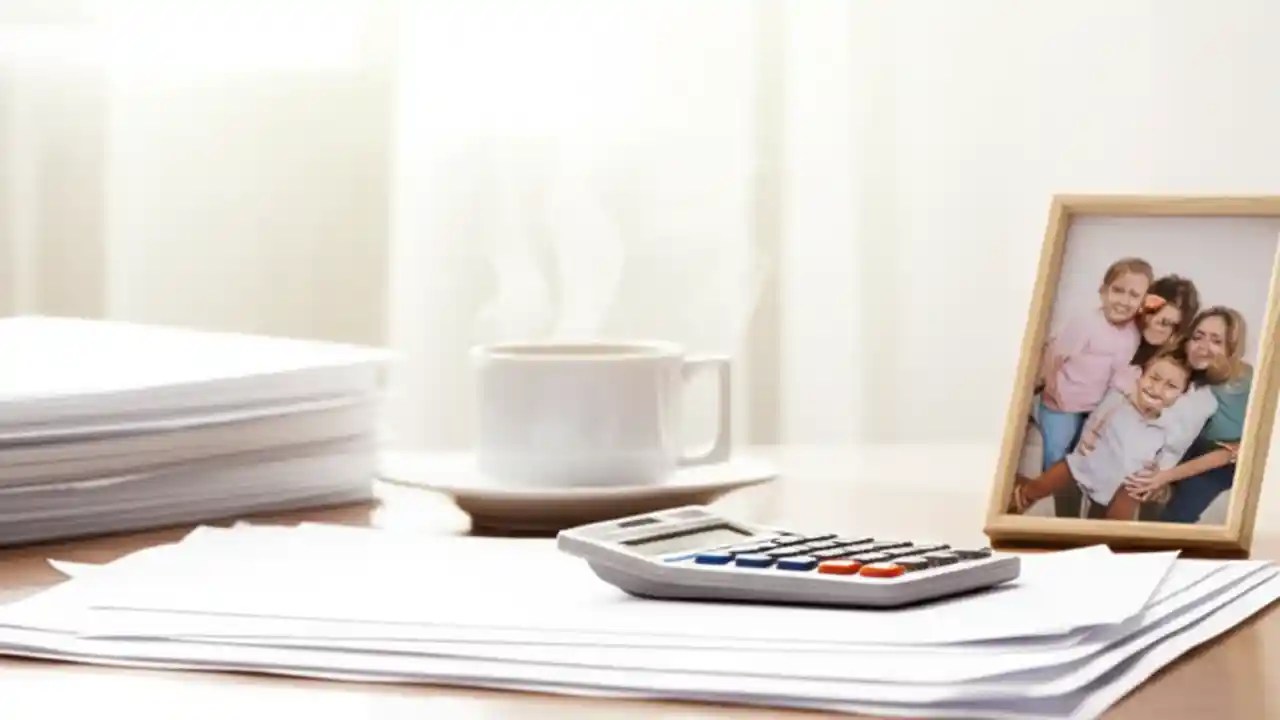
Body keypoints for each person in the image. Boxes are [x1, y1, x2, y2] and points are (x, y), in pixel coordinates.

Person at [1010, 348, 1195, 520]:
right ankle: (1024, 495)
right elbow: (1097, 418)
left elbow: (1170, 453)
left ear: (1181, 395)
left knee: (1121, 509)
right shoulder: (1120, 400)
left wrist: (1158, 475)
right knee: (1063, 470)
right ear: (1140, 376)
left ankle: (1106, 537)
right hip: (1094, 459)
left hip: (1124, 480)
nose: (1157, 389)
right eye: (1153, 378)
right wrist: (1087, 437)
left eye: (1171, 386)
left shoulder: (1169, 426)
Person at [1035, 257, 1152, 517]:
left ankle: (1086, 502)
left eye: (1133, 295)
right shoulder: (1085, 323)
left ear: (1143, 302)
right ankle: (1064, 512)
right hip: (1062, 403)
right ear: (1103, 291)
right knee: (1057, 454)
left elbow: (1119, 378)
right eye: (1118, 290)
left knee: (1088, 456)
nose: (1123, 300)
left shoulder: (1133, 335)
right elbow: (1054, 356)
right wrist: (1051, 390)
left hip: (1094, 405)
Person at [1124, 307, 1252, 523]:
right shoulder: (1189, 370)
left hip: (1225, 458)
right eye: (1197, 337)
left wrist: (1165, 477)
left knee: (1176, 513)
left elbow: (1230, 453)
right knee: (1143, 480)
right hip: (1193, 440)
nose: (1202, 346)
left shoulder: (1247, 384)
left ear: (1231, 347)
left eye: (1216, 341)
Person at [1130, 275, 1200, 368]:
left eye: (1173, 326)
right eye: (1164, 322)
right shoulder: (1122, 327)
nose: (1163, 329)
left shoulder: (1172, 361)